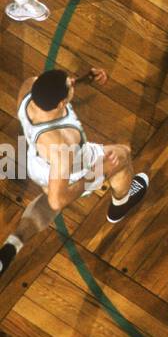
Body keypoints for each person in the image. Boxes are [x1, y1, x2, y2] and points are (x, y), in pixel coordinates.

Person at [0, 67, 150, 276]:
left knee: (46, 199)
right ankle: (121, 205)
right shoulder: (64, 141)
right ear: (62, 103)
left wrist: (84, 79)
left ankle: (12, 246)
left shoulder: (29, 87)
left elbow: (55, 86)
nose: (72, 80)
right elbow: (57, 201)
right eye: (70, 84)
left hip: (38, 164)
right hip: (73, 170)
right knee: (123, 154)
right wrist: (98, 171)